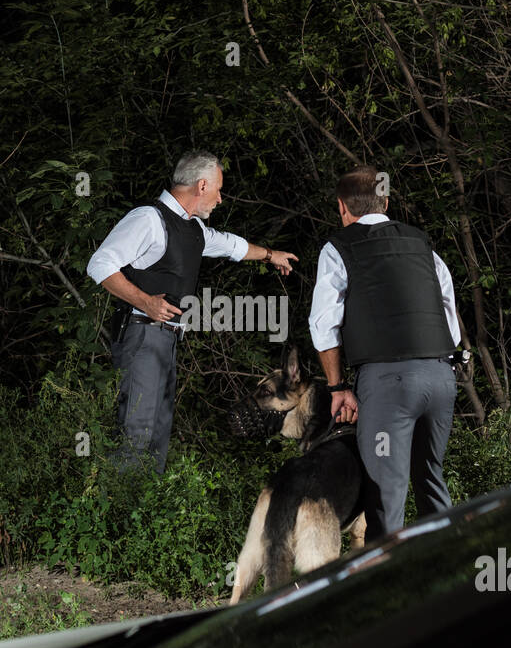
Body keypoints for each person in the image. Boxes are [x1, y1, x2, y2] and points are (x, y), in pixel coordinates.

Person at [87, 150, 297, 474]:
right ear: (201, 185)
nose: (220, 199)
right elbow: (99, 264)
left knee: (157, 435)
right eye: (218, 190)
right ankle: (114, 512)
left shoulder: (194, 230)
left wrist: (271, 256)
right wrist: (145, 301)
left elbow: (231, 246)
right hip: (142, 335)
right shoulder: (149, 219)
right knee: (136, 431)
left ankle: (143, 514)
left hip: (167, 340)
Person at [308, 166, 461, 541]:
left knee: (385, 495)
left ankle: (387, 592)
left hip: (387, 383)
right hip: (441, 378)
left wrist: (337, 386)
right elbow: (449, 315)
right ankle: (449, 577)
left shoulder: (338, 248)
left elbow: (322, 324)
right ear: (386, 201)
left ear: (342, 207)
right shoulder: (423, 244)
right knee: (430, 479)